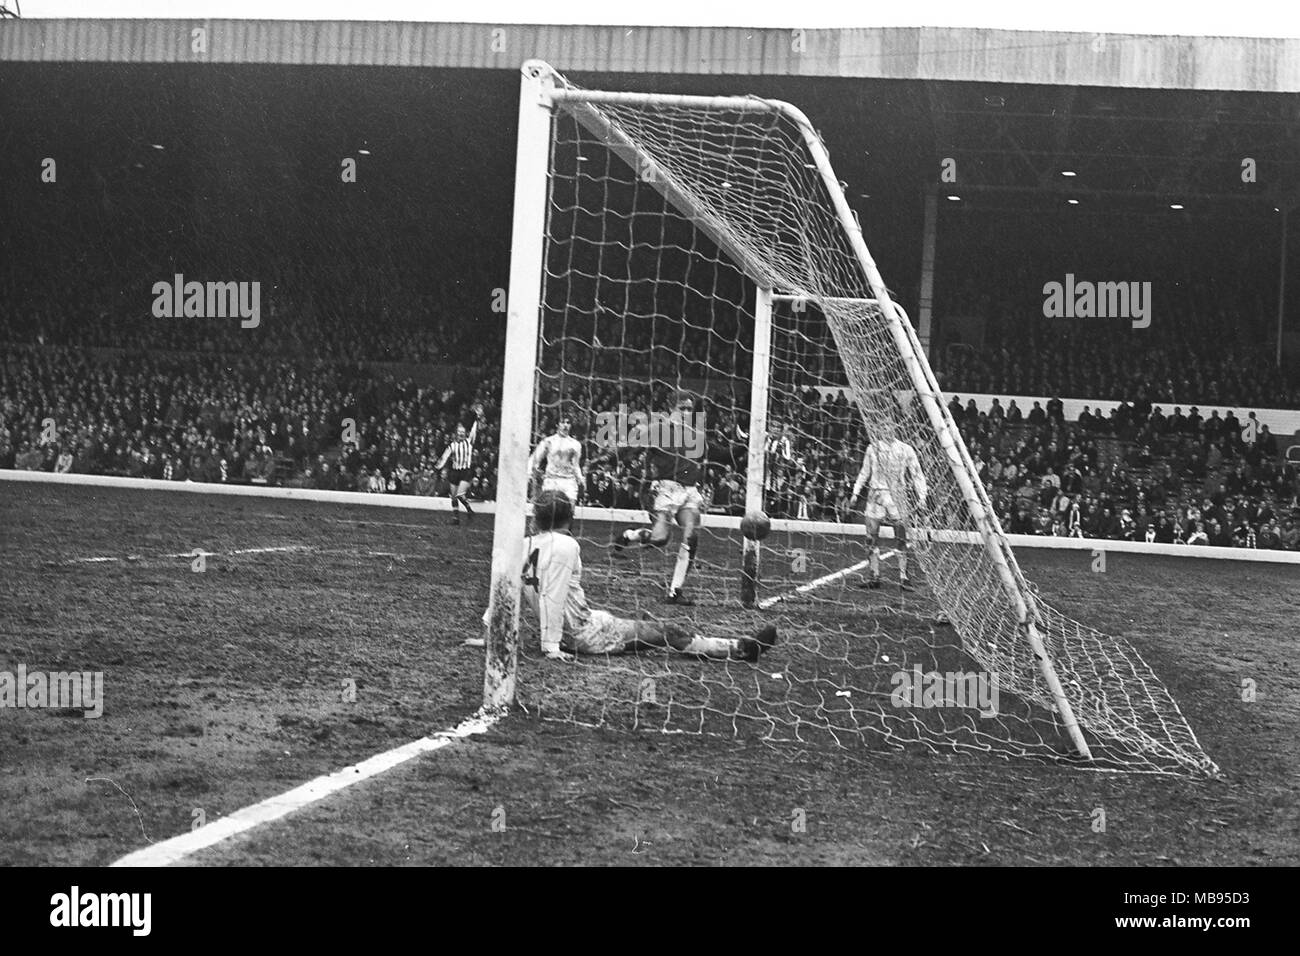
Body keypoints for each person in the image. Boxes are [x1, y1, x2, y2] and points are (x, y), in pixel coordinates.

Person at [519, 490, 778, 661]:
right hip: (583, 634)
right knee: (669, 632)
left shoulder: (523, 545)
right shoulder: (567, 545)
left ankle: (646, 626)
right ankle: (741, 648)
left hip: (579, 625)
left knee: (644, 621)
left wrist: (492, 627)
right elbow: (554, 596)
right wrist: (551, 646)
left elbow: (508, 587)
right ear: (570, 517)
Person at [608, 389, 708, 605]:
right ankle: (630, 535)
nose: (687, 412)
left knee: (692, 537)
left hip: (689, 492)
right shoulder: (657, 429)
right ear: (671, 408)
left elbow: (708, 458)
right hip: (664, 490)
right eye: (683, 408)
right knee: (661, 538)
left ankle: (675, 591)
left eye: (690, 409)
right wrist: (607, 458)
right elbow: (628, 449)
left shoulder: (695, 435)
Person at [850, 432, 928, 591]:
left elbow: (917, 474)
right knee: (871, 537)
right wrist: (855, 492)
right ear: (879, 428)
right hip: (876, 495)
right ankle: (874, 576)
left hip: (896, 496)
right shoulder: (872, 448)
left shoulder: (906, 449)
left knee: (901, 537)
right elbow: (865, 472)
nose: (886, 430)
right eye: (883, 427)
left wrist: (922, 496)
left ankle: (904, 578)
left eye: (890, 426)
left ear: (895, 428)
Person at [436, 405, 484, 525]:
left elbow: (474, 430)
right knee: (453, 496)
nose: (461, 434)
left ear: (465, 433)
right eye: (459, 432)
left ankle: (469, 510)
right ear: (457, 433)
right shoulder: (452, 445)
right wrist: (438, 465)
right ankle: (456, 518)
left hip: (466, 471)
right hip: (455, 472)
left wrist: (477, 418)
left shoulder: (469, 442)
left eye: (463, 432)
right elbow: (445, 456)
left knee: (460, 494)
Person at [529, 413, 584, 506]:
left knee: (569, 513)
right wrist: (529, 472)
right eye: (563, 422)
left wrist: (580, 478)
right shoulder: (548, 441)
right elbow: (535, 458)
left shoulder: (576, 444)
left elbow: (576, 465)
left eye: (568, 423)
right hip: (551, 480)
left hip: (568, 482)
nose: (565, 425)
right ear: (557, 425)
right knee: (548, 511)